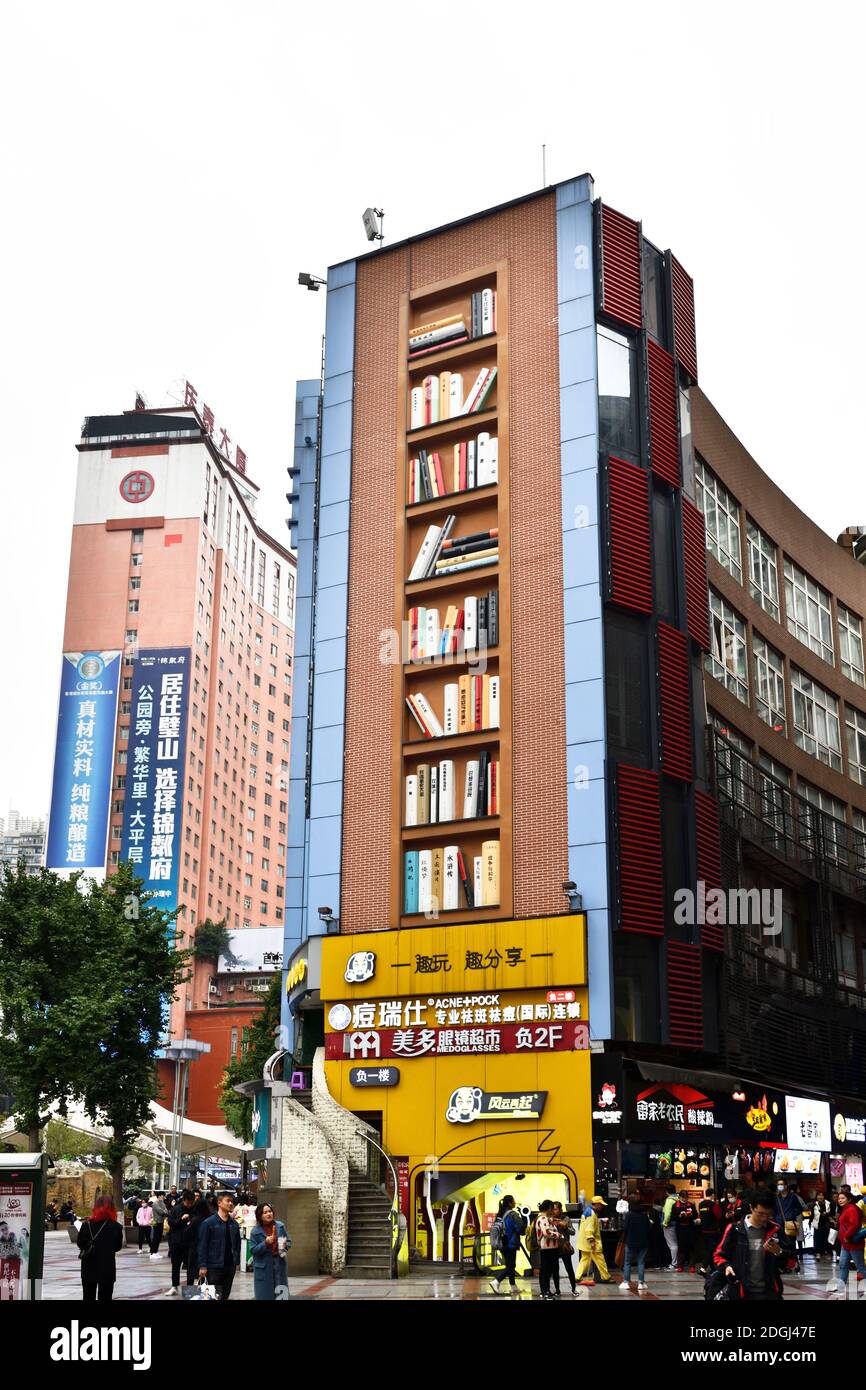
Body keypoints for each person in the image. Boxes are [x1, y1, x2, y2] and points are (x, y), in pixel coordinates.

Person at [715, 1187, 784, 1301]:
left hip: (769, 1292)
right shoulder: (735, 1229)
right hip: (741, 1292)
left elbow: (791, 1262)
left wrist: (779, 1252)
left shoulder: (775, 1230)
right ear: (751, 1208)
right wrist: (727, 1267)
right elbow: (718, 1255)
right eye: (760, 1213)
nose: (764, 1218)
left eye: (768, 1214)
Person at [76, 1195, 124, 1302]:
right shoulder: (116, 1227)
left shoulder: (86, 1225)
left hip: (88, 1266)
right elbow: (117, 1247)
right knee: (106, 1297)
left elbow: (80, 1244)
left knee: (88, 1296)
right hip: (107, 1267)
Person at [197, 1192, 241, 1300]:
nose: (231, 1203)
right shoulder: (208, 1223)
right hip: (213, 1266)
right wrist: (202, 1266)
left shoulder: (234, 1224)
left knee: (225, 1295)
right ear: (219, 1203)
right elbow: (202, 1246)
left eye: (232, 1201)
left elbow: (237, 1245)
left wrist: (236, 1261)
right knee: (212, 1296)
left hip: (230, 1266)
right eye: (228, 1201)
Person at [250, 1202, 291, 1300]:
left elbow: (288, 1241)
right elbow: (253, 1250)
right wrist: (266, 1243)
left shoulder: (280, 1226)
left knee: (281, 1294)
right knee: (265, 1295)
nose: (269, 1214)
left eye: (270, 1211)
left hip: (279, 1263)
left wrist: (285, 1245)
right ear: (260, 1216)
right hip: (264, 1266)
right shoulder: (255, 1231)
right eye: (265, 1212)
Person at [489, 1195, 526, 1295]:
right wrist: (524, 1220)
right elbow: (520, 1229)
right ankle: (496, 1281)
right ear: (510, 1203)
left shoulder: (500, 1214)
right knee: (511, 1266)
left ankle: (513, 1287)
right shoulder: (513, 1214)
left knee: (510, 1265)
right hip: (511, 1243)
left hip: (502, 1243)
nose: (515, 1202)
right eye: (513, 1201)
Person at [165, 1190, 196, 1296]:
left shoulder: (194, 1210)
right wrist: (181, 1219)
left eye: (191, 1203)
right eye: (188, 1203)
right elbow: (171, 1223)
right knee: (175, 1265)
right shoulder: (175, 1210)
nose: (189, 1205)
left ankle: (190, 1288)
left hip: (190, 1243)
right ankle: (174, 1286)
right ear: (184, 1200)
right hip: (177, 1242)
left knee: (190, 1266)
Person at [576, 1195, 612, 1286]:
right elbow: (589, 1229)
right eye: (601, 1204)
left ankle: (577, 1277)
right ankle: (606, 1277)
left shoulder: (588, 1212)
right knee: (600, 1260)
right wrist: (591, 1240)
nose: (602, 1206)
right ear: (596, 1204)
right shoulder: (591, 1214)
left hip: (584, 1241)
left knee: (584, 1259)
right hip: (591, 1242)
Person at [836, 1190, 866, 1292]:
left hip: (853, 1243)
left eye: (843, 1198)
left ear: (849, 1199)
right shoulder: (845, 1209)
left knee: (860, 1267)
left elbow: (855, 1224)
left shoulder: (851, 1209)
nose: (840, 1200)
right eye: (839, 1198)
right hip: (846, 1244)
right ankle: (840, 1287)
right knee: (843, 1265)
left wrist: (847, 1235)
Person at [619, 1196, 651, 1293]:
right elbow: (649, 1229)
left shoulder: (629, 1215)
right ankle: (641, 1283)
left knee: (628, 1262)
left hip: (631, 1242)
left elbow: (625, 1229)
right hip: (643, 1242)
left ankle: (625, 1282)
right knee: (641, 1262)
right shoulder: (644, 1215)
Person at [535, 1200, 562, 1300]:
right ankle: (546, 1292)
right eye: (552, 1208)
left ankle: (545, 1291)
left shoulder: (545, 1218)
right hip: (548, 1249)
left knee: (546, 1271)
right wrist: (558, 1235)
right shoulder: (543, 1219)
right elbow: (546, 1233)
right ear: (549, 1208)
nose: (553, 1210)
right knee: (546, 1271)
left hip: (550, 1249)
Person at [551, 1201, 578, 1294]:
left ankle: (574, 1289)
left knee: (569, 1269)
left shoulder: (566, 1218)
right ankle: (557, 1290)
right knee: (555, 1270)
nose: (553, 1211)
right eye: (552, 1209)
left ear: (560, 1210)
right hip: (553, 1248)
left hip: (564, 1247)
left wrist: (566, 1227)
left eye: (555, 1209)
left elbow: (573, 1232)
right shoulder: (550, 1219)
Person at [674, 1191, 700, 1273]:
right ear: (680, 1197)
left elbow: (695, 1214)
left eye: (686, 1198)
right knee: (681, 1247)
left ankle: (692, 1265)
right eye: (683, 1198)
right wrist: (679, 1216)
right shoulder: (675, 1205)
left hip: (690, 1228)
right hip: (680, 1228)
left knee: (691, 1247)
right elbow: (672, 1216)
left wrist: (690, 1215)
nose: (685, 1199)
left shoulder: (691, 1205)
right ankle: (680, 1265)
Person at [697, 1189, 722, 1271]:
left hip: (703, 1230)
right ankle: (703, 1267)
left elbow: (700, 1216)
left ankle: (712, 1268)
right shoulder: (713, 1205)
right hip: (713, 1231)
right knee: (711, 1250)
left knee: (708, 1249)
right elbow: (719, 1216)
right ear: (712, 1195)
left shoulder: (701, 1204)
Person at [661, 1185, 678, 1269]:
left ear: (667, 1192)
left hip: (670, 1225)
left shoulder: (669, 1200)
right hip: (678, 1224)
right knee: (676, 1243)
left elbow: (667, 1214)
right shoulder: (678, 1199)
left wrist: (664, 1223)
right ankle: (678, 1262)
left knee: (672, 1245)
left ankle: (674, 1263)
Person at [149, 1192, 168, 1259]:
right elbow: (161, 1212)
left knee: (159, 1238)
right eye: (163, 1196)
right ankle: (152, 1253)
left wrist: (164, 1211)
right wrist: (164, 1211)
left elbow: (166, 1211)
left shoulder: (162, 1203)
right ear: (159, 1196)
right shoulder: (155, 1204)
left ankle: (156, 1252)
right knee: (155, 1238)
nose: (163, 1197)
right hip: (156, 1222)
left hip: (161, 1222)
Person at [812, 1194, 831, 1260]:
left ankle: (826, 1252)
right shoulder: (814, 1204)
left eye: (822, 1195)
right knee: (818, 1239)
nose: (820, 1197)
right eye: (819, 1195)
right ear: (816, 1197)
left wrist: (827, 1214)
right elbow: (812, 1214)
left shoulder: (828, 1203)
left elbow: (831, 1212)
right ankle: (818, 1253)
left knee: (826, 1239)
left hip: (826, 1224)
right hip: (817, 1224)